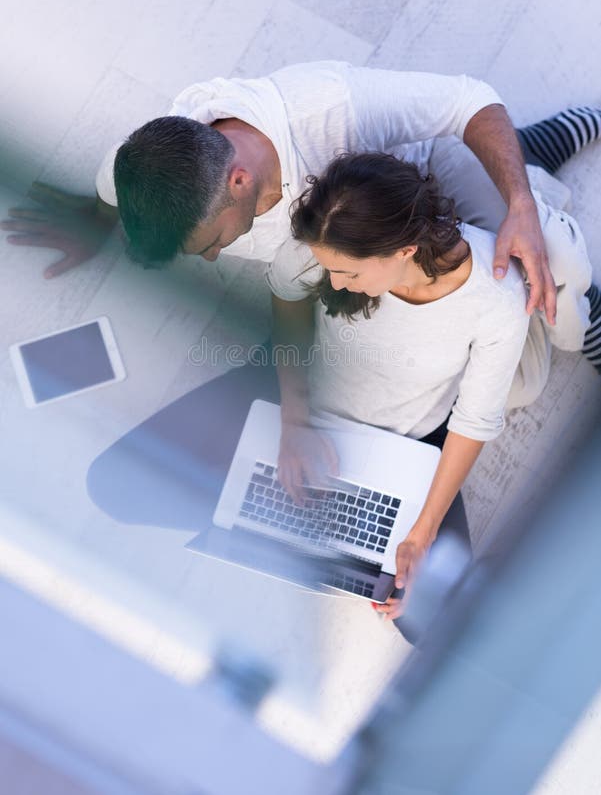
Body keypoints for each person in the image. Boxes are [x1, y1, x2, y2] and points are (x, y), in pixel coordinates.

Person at [2, 63, 600, 366]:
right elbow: (110, 191)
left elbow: (471, 98)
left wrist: (519, 207)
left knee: (533, 263)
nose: (214, 257)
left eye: (209, 243)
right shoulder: (132, 169)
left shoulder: (334, 107)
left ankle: (527, 166)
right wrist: (95, 223)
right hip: (360, 256)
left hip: (417, 185)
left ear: (238, 181)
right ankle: (526, 153)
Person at [265, 151, 592, 628]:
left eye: (349, 275)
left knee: (429, 619)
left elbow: (475, 419)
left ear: (403, 251)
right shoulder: (327, 242)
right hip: (318, 414)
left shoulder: (494, 298)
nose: (332, 282)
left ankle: (534, 192)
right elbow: (286, 290)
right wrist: (293, 420)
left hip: (414, 436)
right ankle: (518, 165)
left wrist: (422, 533)